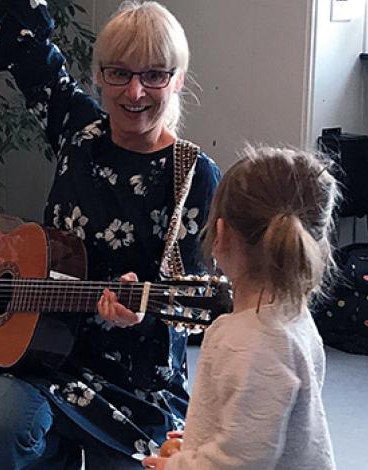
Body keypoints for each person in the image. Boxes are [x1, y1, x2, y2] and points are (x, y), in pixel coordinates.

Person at [0, 0, 222, 466]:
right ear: (98, 75)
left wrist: (144, 314)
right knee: (0, 425)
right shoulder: (78, 132)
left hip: (138, 384)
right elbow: (24, 30)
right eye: (118, 74)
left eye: (155, 76)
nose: (135, 92)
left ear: (179, 80)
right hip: (46, 353)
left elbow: (187, 308)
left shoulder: (194, 175)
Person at [142, 147, 339, 470]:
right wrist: (197, 442)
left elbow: (240, 462)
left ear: (220, 234)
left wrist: (176, 466)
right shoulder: (293, 317)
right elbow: (260, 425)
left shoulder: (244, 341)